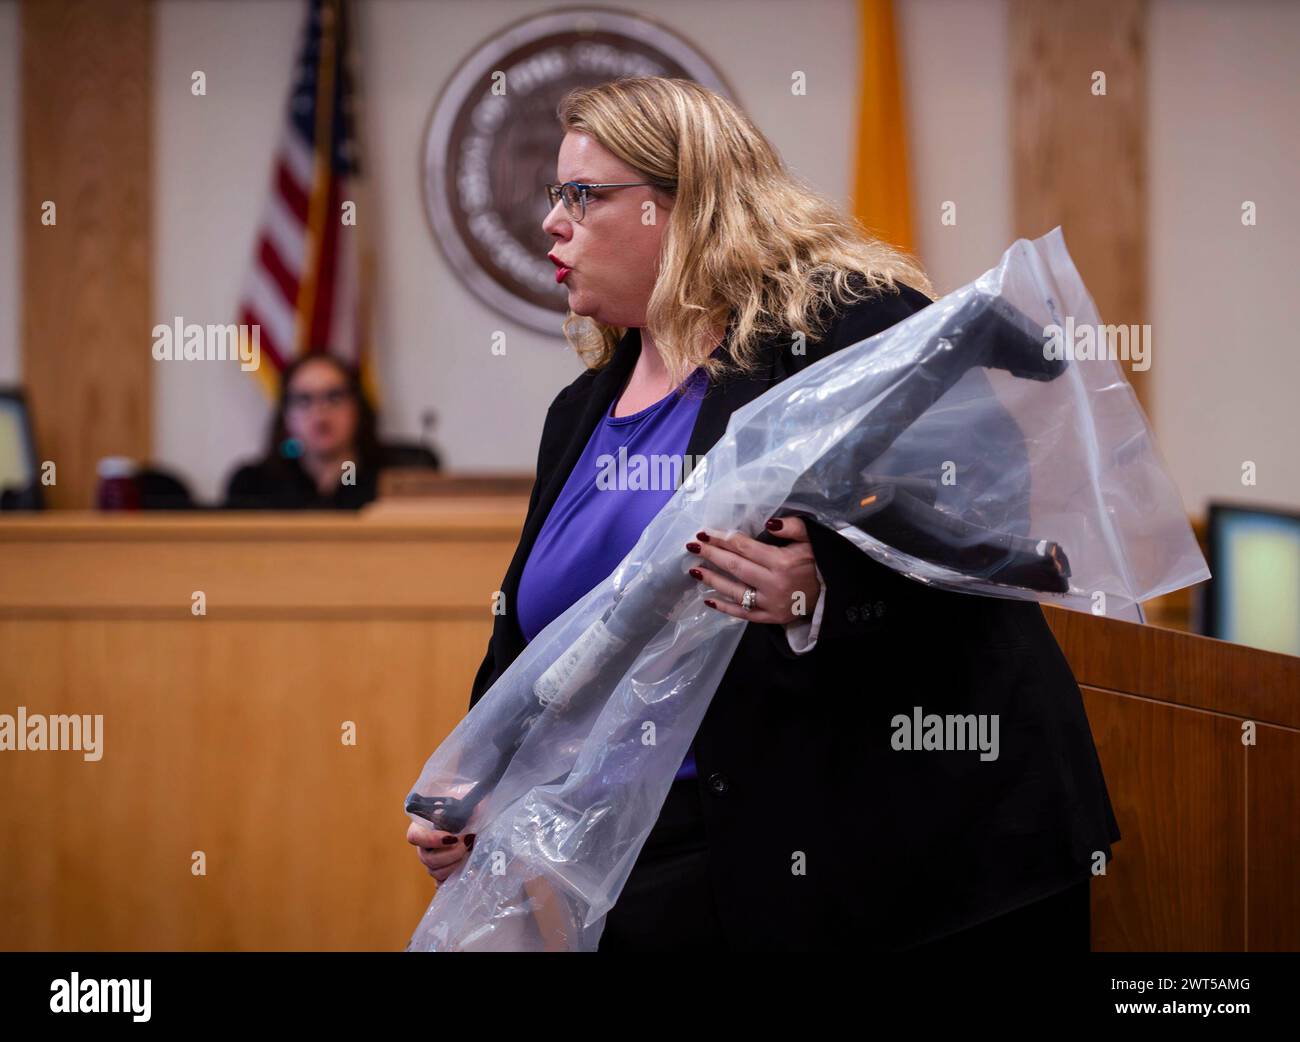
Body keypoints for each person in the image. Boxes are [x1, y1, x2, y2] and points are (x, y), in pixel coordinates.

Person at [406, 76, 1120, 952]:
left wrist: (824, 591)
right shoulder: (581, 411)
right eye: (556, 196)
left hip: (904, 855)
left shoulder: (842, 327)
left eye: (582, 196)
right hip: (665, 854)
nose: (553, 222)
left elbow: (995, 522)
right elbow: (539, 635)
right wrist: (472, 783)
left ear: (680, 205)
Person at [224, 353, 437, 509]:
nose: (320, 412)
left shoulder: (397, 476)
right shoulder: (255, 484)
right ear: (286, 414)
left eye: (334, 397)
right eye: (304, 400)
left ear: (358, 407)